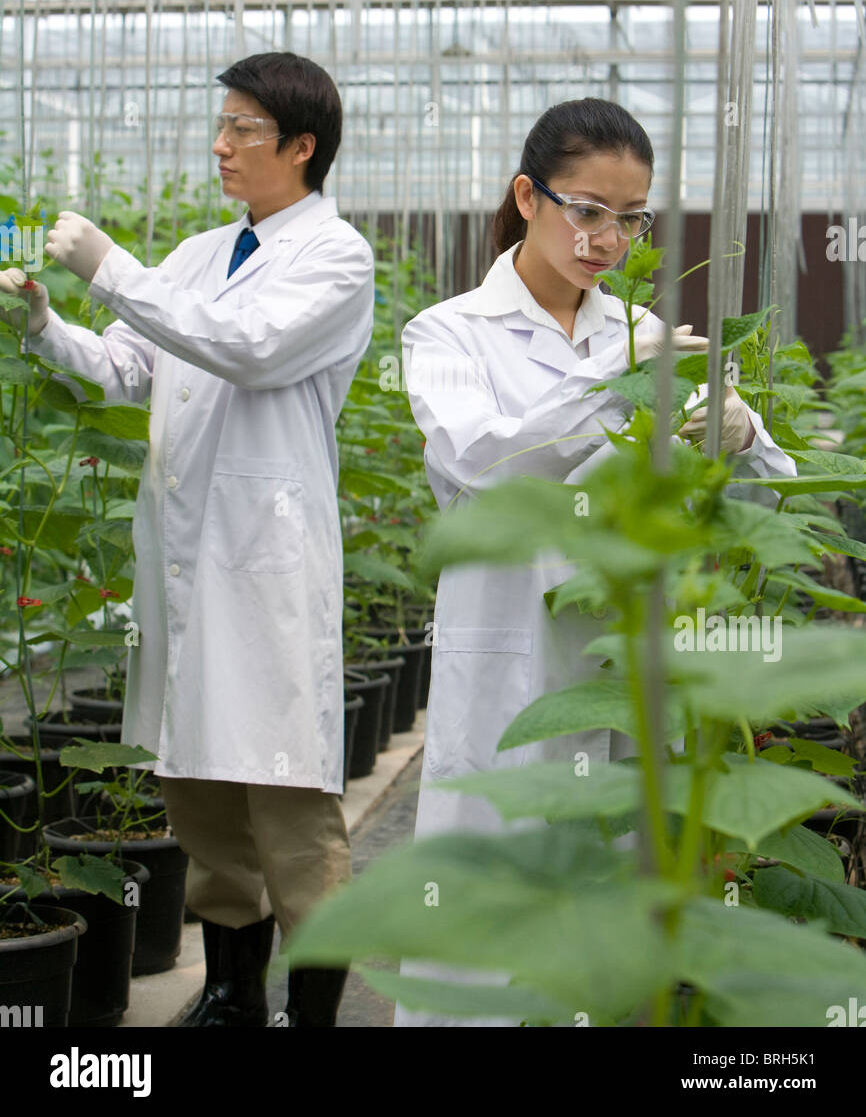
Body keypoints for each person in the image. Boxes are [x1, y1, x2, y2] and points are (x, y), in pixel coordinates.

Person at [392, 97, 797, 1028]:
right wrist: (615, 387)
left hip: (622, 662)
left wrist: (740, 436)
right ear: (528, 198)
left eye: (630, 218)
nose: (607, 238)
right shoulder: (449, 333)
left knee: (611, 909)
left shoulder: (643, 334)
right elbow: (482, 460)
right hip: (509, 657)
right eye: (587, 209)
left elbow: (767, 502)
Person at [0, 51, 375, 1027]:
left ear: (300, 146)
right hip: (188, 561)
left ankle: (315, 1006)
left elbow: (244, 349)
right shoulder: (206, 252)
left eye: (242, 128)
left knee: (288, 805)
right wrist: (45, 323)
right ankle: (230, 987)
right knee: (200, 795)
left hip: (266, 564)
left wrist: (111, 267)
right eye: (222, 124)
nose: (221, 144)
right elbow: (130, 367)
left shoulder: (336, 259)